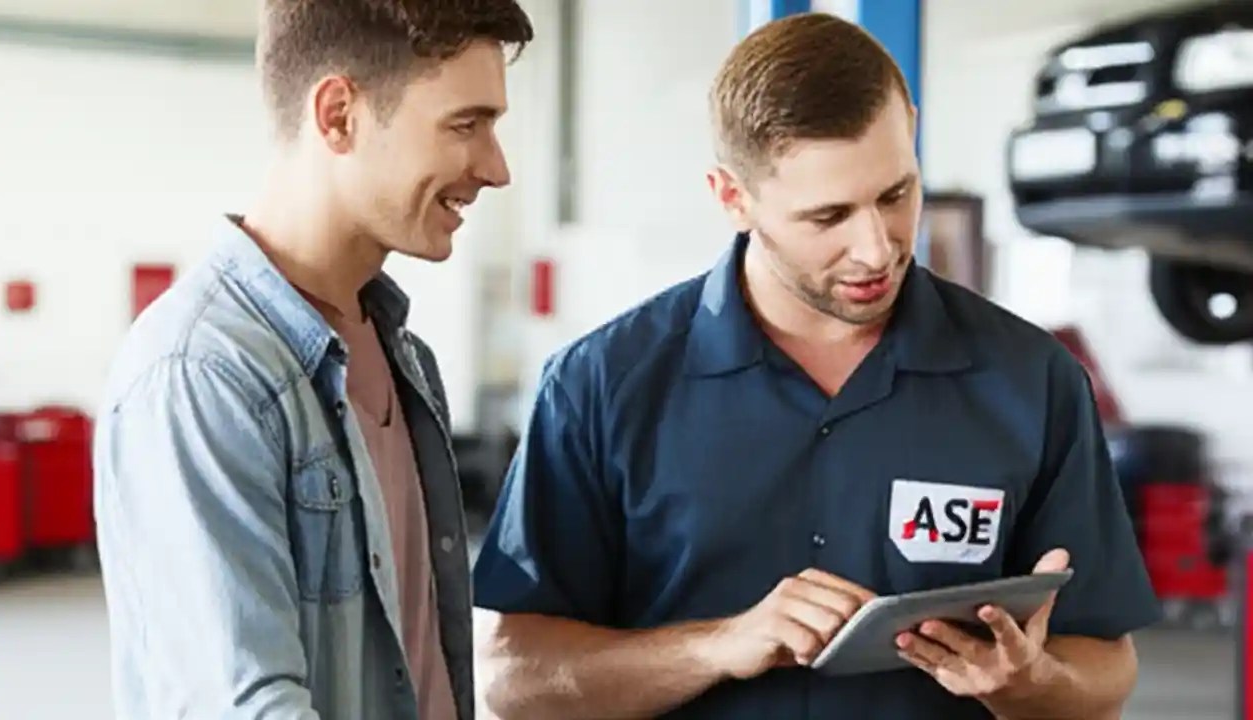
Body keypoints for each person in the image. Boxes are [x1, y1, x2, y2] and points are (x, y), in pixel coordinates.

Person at [472, 12, 1158, 720]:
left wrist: (1030, 685)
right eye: (828, 217)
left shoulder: (1032, 381)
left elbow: (1107, 664)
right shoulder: (601, 387)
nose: (875, 248)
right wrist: (717, 646)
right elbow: (514, 679)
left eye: (895, 195)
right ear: (732, 197)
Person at [92, 2, 532, 718]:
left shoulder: (402, 356)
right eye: (466, 123)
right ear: (338, 115)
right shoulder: (203, 371)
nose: (496, 167)